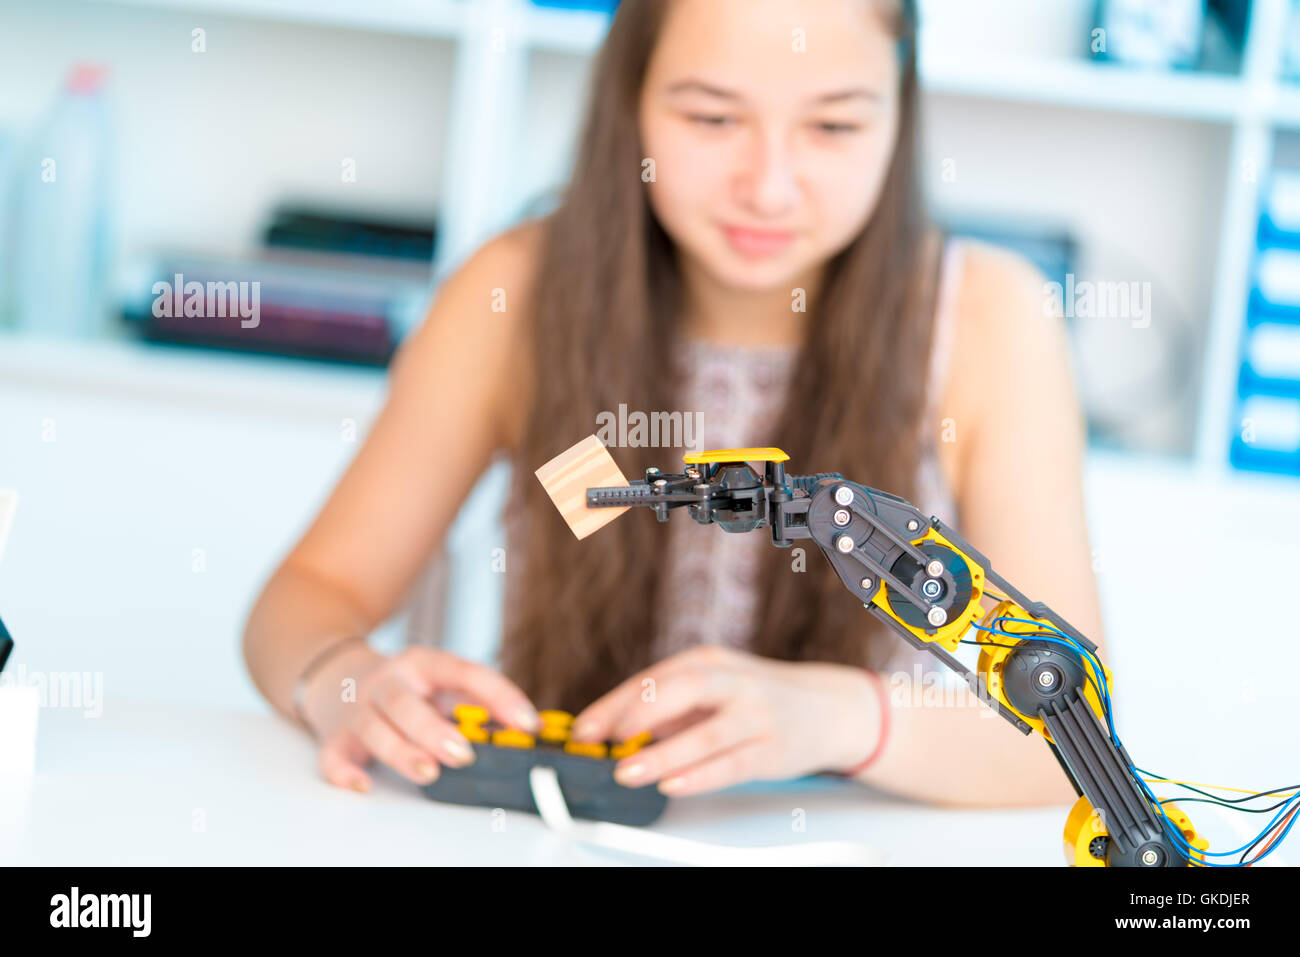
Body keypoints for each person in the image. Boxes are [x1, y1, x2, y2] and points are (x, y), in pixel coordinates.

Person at [243, 0, 1103, 808]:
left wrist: (844, 718)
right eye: (711, 119)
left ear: (899, 120)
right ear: (633, 103)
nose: (768, 186)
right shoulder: (514, 294)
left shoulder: (988, 319)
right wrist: (343, 678)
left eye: (834, 125)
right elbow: (309, 594)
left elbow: (1074, 723)